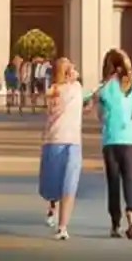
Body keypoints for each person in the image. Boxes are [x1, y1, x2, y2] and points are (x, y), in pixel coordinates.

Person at [92, 48, 132, 240]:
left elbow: (98, 113)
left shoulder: (104, 89)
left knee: (113, 182)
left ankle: (115, 224)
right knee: (130, 181)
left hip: (110, 140)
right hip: (131, 140)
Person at [38, 57, 84, 241]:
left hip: (53, 140)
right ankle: (62, 225)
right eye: (71, 68)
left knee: (58, 184)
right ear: (67, 73)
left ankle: (58, 218)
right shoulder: (75, 88)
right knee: (67, 186)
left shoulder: (52, 91)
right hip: (69, 141)